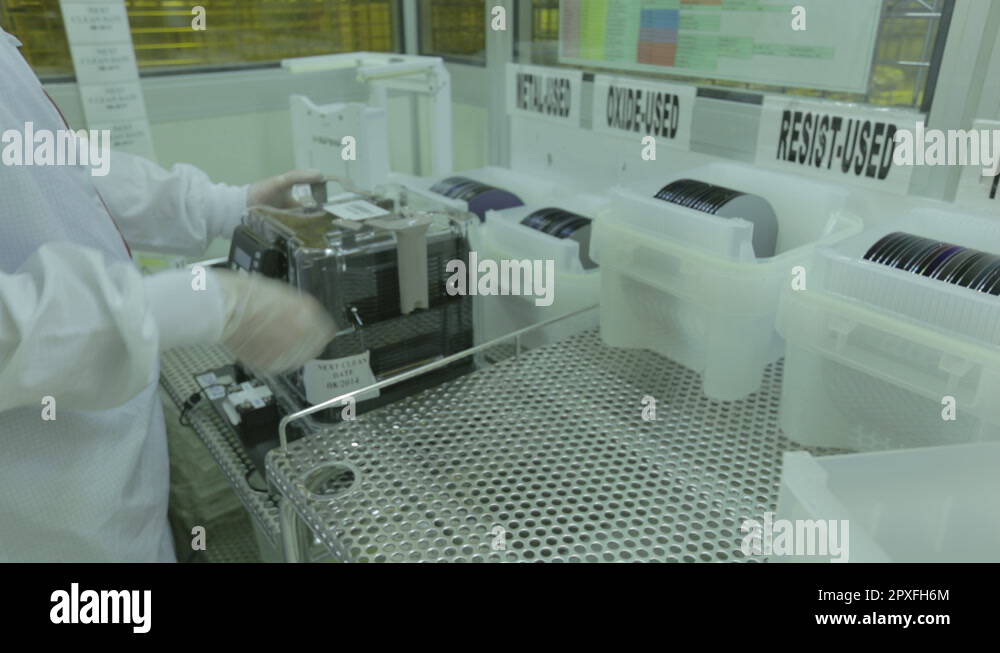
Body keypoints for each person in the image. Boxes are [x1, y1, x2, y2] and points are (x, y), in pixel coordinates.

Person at [0, 27, 338, 562]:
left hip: (103, 483)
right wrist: (210, 304)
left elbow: (54, 166)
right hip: (40, 525)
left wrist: (229, 205)